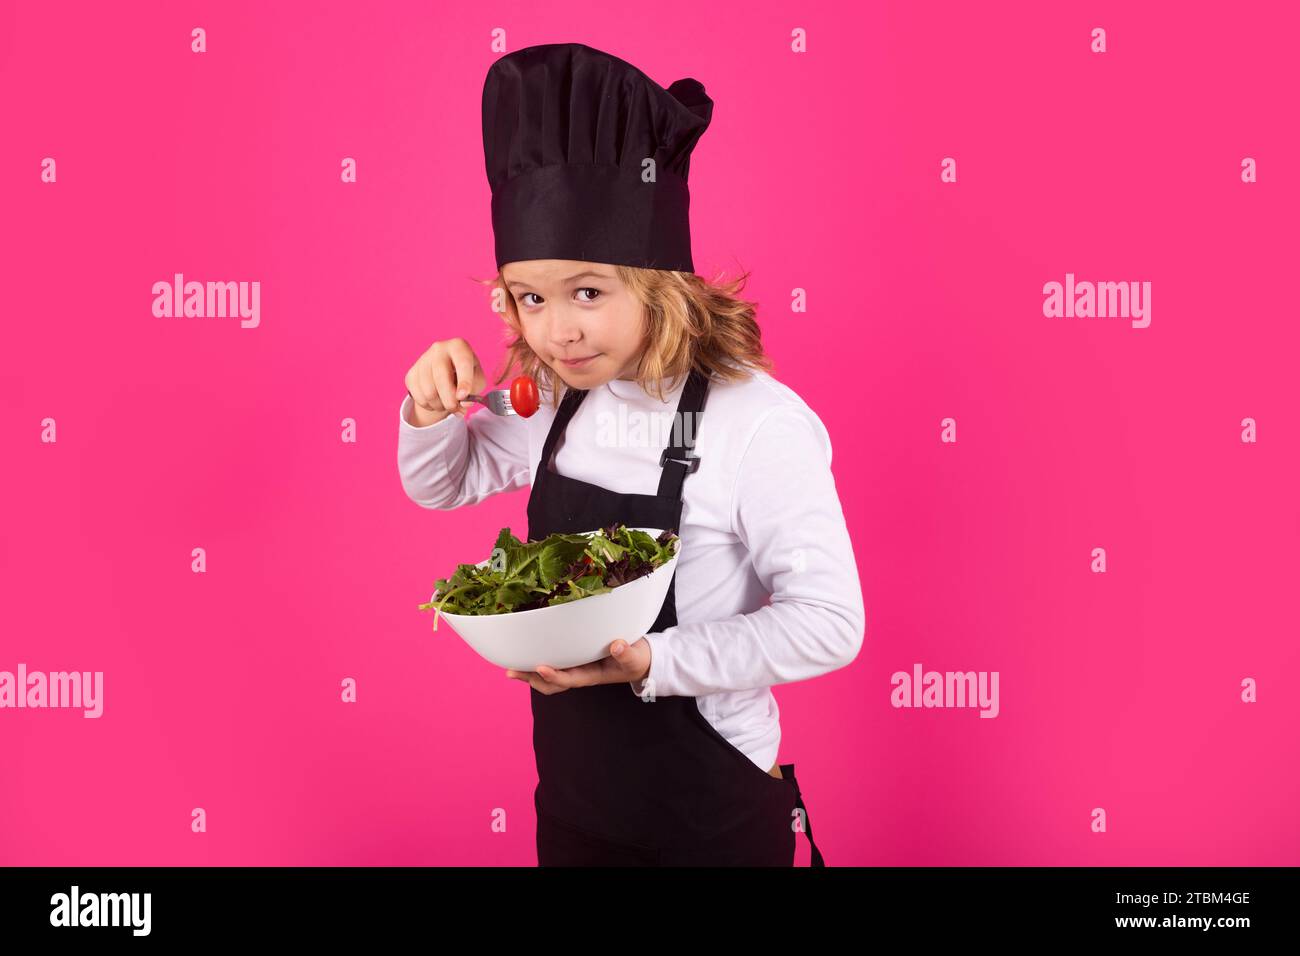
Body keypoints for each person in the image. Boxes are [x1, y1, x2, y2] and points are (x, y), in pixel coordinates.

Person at [398, 42, 863, 866]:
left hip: (708, 818)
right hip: (575, 813)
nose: (558, 331)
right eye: (531, 298)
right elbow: (448, 481)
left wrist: (653, 660)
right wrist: (428, 409)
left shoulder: (755, 421)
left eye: (588, 292)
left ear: (660, 283)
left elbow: (830, 624)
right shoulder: (559, 398)